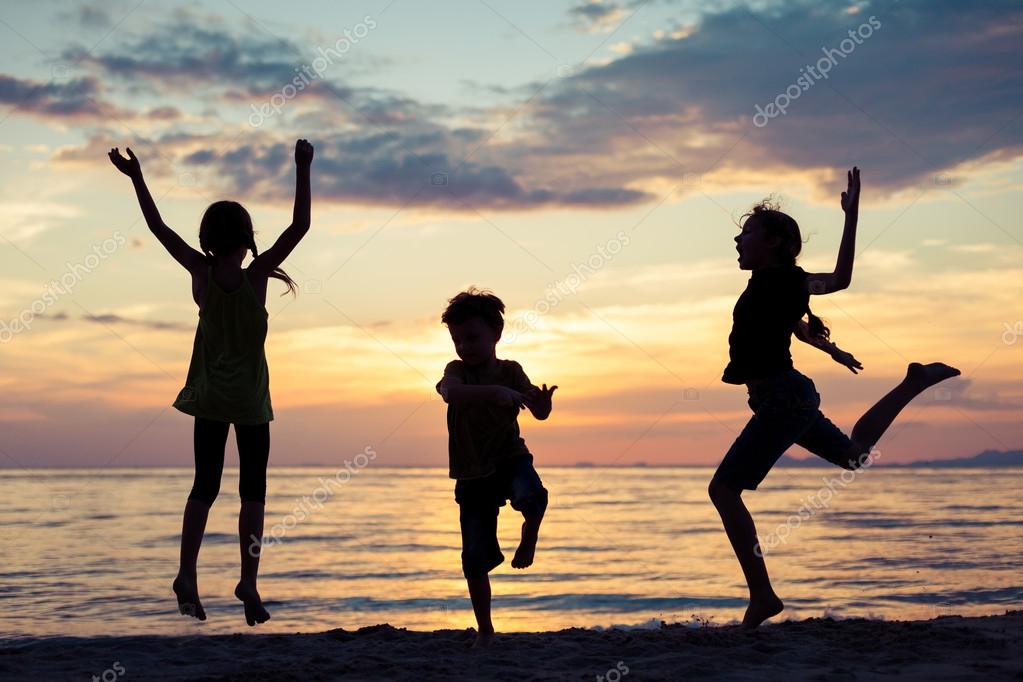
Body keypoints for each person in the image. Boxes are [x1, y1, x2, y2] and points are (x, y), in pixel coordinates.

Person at [709, 167, 960, 628]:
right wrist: (832, 348)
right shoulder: (770, 287)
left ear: (776, 244)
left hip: (783, 398)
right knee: (853, 457)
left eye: (747, 232)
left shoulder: (787, 279)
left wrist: (852, 213)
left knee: (723, 489)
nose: (738, 240)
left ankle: (762, 596)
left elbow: (842, 278)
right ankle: (912, 383)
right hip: (784, 399)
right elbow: (794, 327)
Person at [108, 138, 315, 626]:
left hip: (209, 397)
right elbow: (301, 225)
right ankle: (248, 578)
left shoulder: (198, 270)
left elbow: (157, 227)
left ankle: (186, 573)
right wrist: (303, 166)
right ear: (247, 238)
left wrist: (137, 176)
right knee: (253, 491)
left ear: (206, 238)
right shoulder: (258, 273)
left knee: (204, 487)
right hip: (248, 400)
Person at [436, 288, 557, 648]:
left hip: (509, 457)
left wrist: (542, 404)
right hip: (471, 473)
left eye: (472, 338)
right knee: (474, 559)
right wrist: (493, 394)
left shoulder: (511, 371)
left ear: (495, 335)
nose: (464, 347)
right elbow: (452, 393)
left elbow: (536, 410)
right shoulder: (455, 372)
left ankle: (529, 533)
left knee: (533, 496)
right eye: (457, 340)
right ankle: (486, 630)